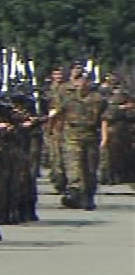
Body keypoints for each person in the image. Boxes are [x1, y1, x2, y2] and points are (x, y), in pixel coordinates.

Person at [49, 64, 106, 210]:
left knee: (90, 168)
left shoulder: (98, 98)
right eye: (79, 80)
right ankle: (75, 193)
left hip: (91, 135)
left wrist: (105, 138)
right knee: (73, 166)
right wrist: (52, 130)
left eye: (84, 80)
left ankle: (89, 196)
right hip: (71, 135)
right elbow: (57, 114)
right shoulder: (67, 95)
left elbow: (105, 118)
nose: (81, 83)